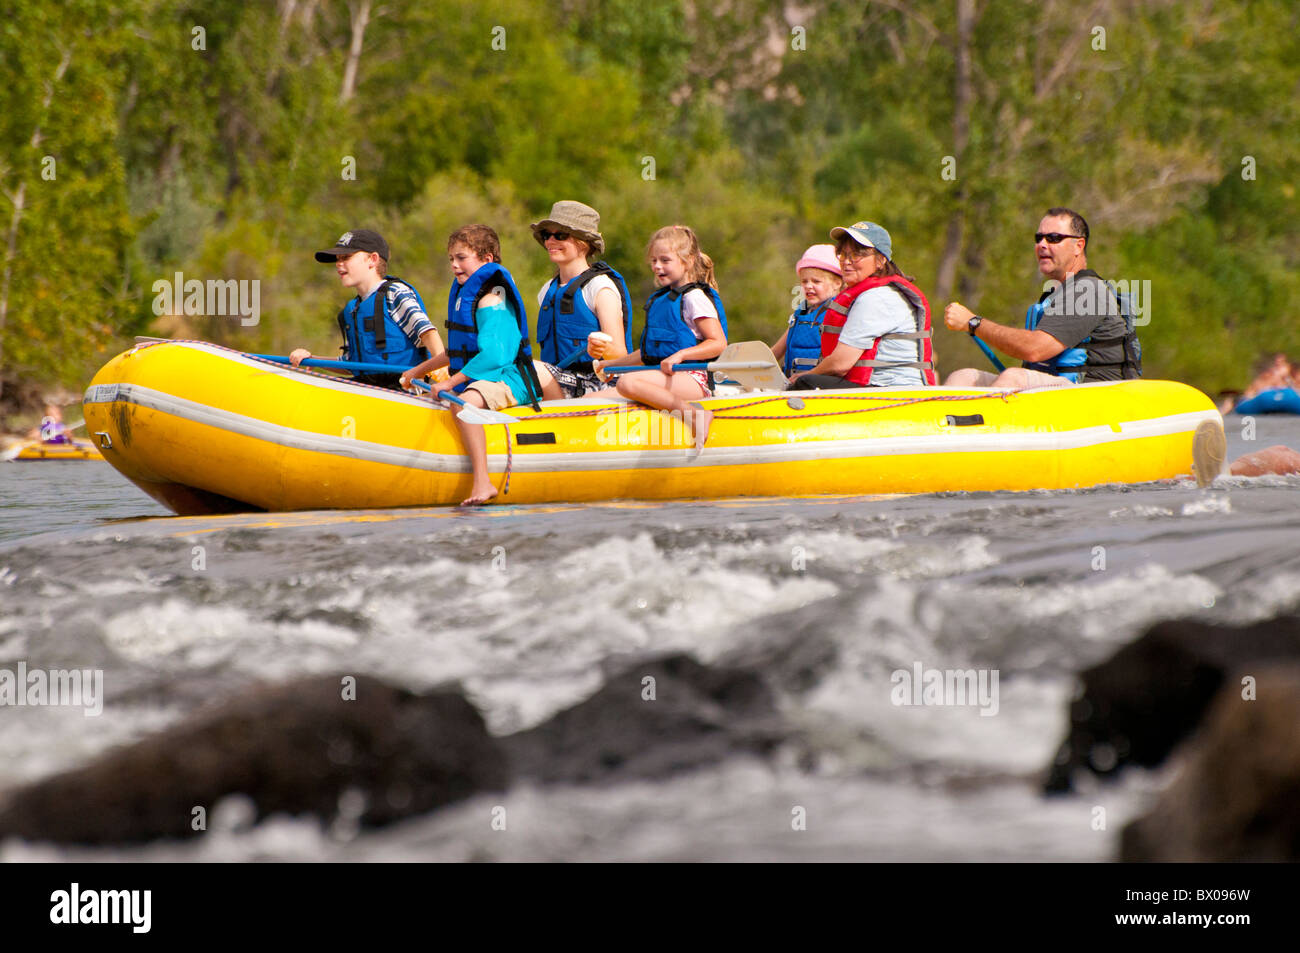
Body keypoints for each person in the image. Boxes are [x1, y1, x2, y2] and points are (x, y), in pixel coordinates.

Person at [399, 225, 543, 506]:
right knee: (453, 398)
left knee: (462, 405)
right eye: (451, 258)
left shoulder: (492, 300)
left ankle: (483, 481)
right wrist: (416, 372)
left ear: (487, 260)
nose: (454, 265)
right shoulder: (469, 296)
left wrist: (450, 383)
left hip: (512, 377)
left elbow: (494, 356)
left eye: (462, 258)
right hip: (487, 376)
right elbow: (458, 352)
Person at [942, 208, 1141, 387]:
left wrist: (974, 323)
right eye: (1039, 238)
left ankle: (986, 425)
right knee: (964, 377)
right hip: (1056, 394)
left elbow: (1034, 349)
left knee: (1013, 377)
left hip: (1090, 398)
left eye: (1053, 238)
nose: (1042, 245)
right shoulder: (1056, 294)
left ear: (1078, 246)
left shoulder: (1088, 291)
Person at [593, 225, 727, 450]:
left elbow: (718, 343)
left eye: (665, 260)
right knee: (592, 400)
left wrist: (682, 354)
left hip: (693, 378)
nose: (657, 266)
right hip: (664, 376)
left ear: (689, 260)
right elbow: (648, 353)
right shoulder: (662, 300)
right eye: (654, 261)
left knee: (628, 383)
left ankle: (695, 416)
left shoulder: (694, 297)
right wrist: (611, 365)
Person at [788, 221, 936, 390]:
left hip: (891, 390)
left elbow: (840, 364)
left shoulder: (877, 297)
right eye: (843, 254)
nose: (846, 262)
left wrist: (806, 375)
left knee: (806, 383)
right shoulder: (870, 293)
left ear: (880, 260)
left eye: (857, 254)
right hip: (878, 387)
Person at [290, 229, 443, 389]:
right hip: (370, 389)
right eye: (337, 259)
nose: (338, 263)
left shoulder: (395, 293)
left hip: (403, 389)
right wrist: (312, 359)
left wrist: (441, 370)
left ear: (372, 259)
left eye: (346, 257)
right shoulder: (351, 311)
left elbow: (427, 333)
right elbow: (351, 364)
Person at [527, 201, 632, 400]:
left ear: (583, 243)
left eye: (560, 235)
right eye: (546, 235)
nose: (550, 241)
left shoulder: (600, 287)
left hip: (598, 381)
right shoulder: (547, 291)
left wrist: (602, 348)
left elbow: (620, 354)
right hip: (559, 378)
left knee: (530, 368)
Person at [771, 245, 844, 378]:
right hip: (794, 382)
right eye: (804, 281)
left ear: (837, 283)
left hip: (820, 385)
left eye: (816, 281)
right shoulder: (801, 314)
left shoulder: (840, 314)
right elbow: (776, 352)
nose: (808, 286)